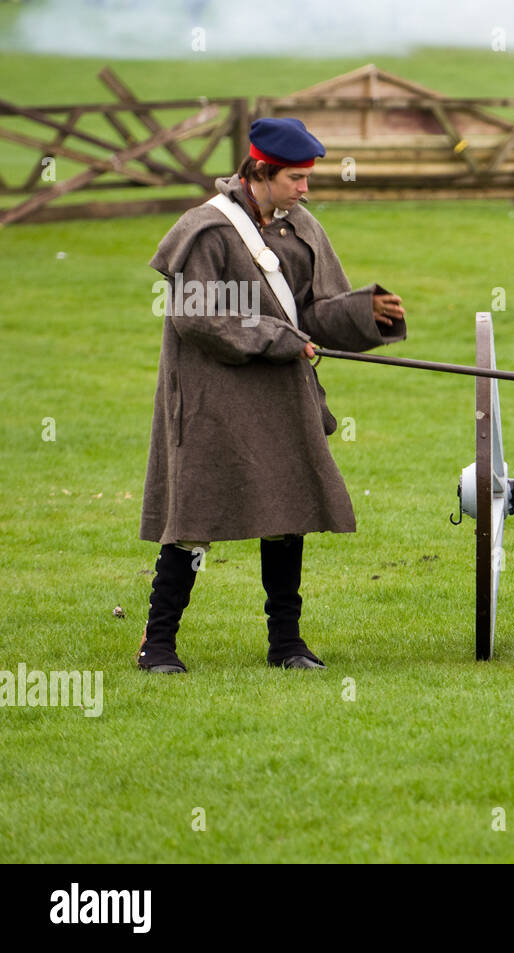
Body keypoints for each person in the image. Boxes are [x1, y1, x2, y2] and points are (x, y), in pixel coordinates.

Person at [138, 117, 408, 673]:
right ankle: (158, 645)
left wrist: (363, 312)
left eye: (308, 178)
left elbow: (314, 312)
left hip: (283, 394)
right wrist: (280, 337)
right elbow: (198, 317)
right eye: (295, 179)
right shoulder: (206, 231)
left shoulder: (300, 227)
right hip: (213, 397)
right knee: (193, 520)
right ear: (259, 172)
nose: (305, 189)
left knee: (288, 512)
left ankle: (287, 643)